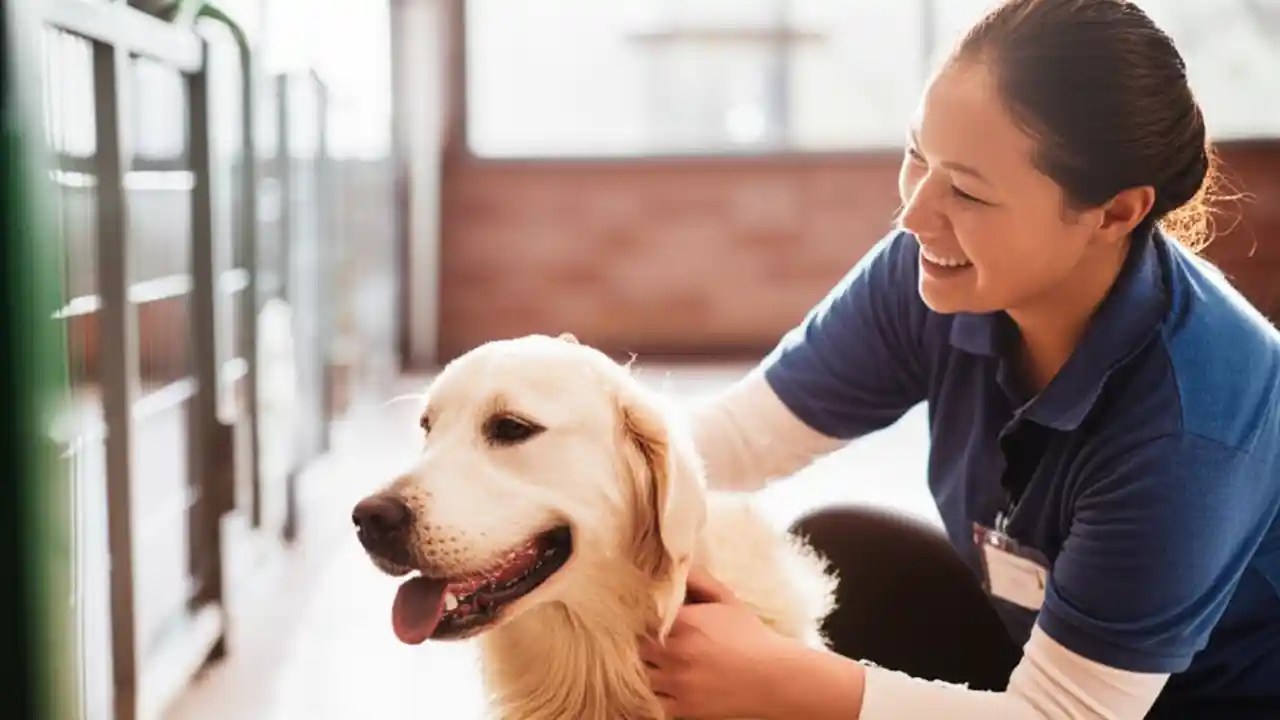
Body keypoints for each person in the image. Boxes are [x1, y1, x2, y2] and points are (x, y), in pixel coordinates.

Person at [637, 0, 1280, 718]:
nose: (915, 213)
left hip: (1196, 706)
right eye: (918, 155)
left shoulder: (1194, 425)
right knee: (846, 553)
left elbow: (1061, 715)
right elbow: (734, 443)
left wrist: (784, 684)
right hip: (1033, 640)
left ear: (1116, 213)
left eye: (968, 191)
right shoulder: (936, 271)